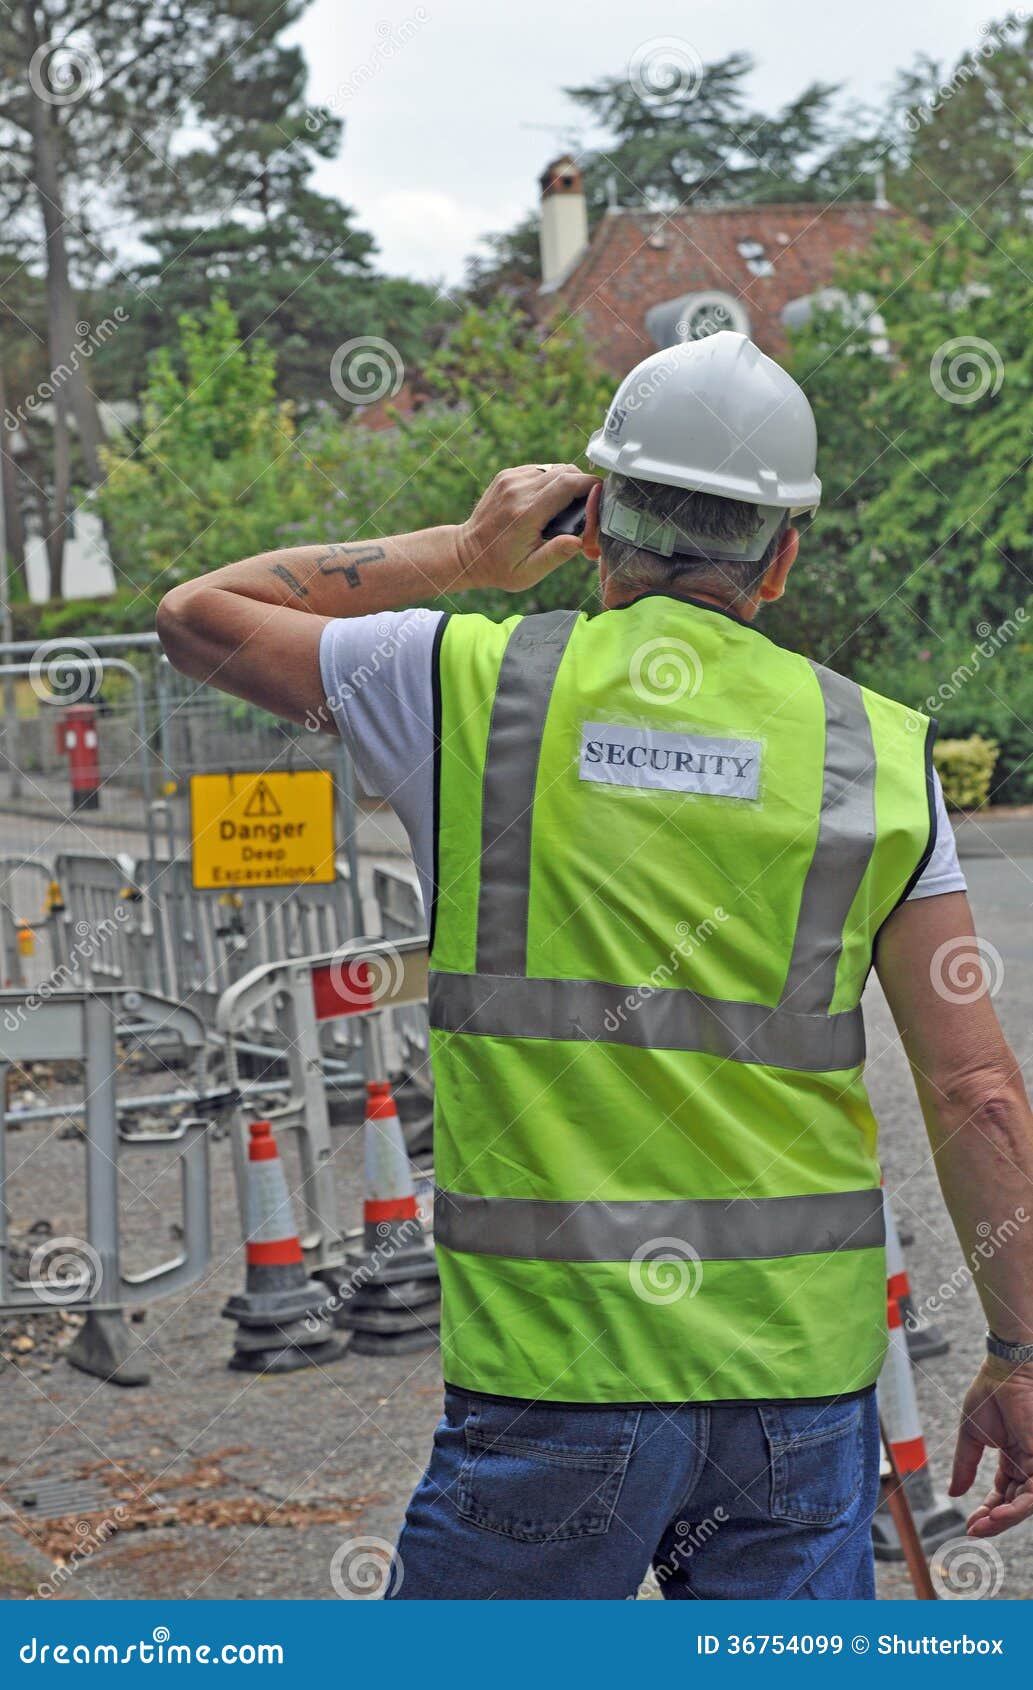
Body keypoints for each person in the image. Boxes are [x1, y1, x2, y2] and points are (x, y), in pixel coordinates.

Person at [157, 330, 1033, 1600]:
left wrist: (464, 555)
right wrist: (1015, 1349)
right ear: (782, 557)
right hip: (795, 1390)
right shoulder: (877, 751)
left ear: (595, 515)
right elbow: (979, 1097)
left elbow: (196, 615)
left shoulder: (460, 684)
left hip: (554, 1383)